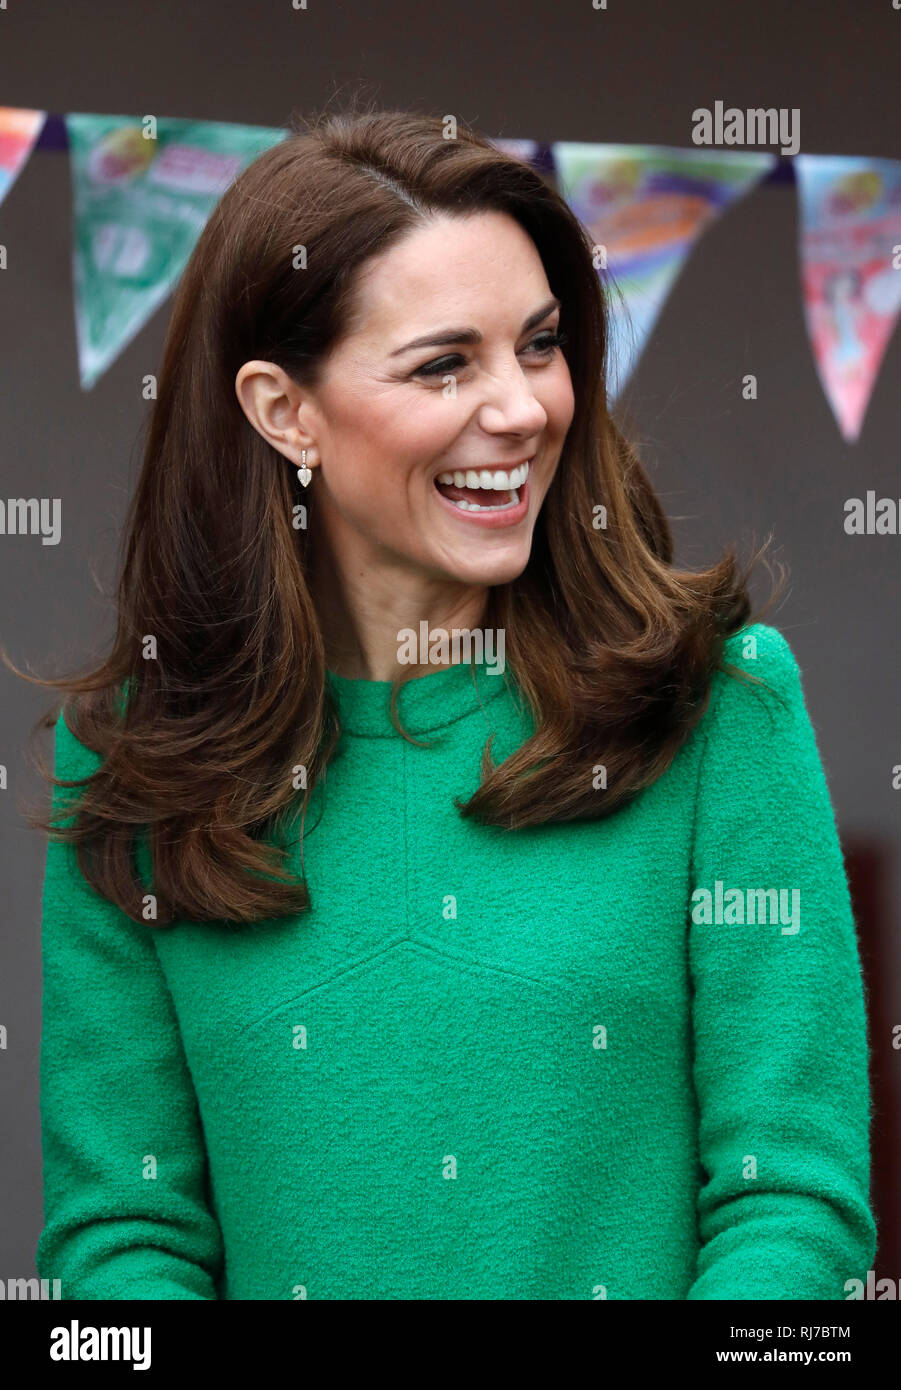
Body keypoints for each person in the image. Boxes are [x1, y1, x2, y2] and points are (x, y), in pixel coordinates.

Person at [20, 104, 875, 1299]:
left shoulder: (718, 706)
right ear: (284, 413)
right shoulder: (130, 768)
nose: (523, 407)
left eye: (538, 344)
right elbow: (123, 1239)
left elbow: (791, 1199)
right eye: (444, 364)